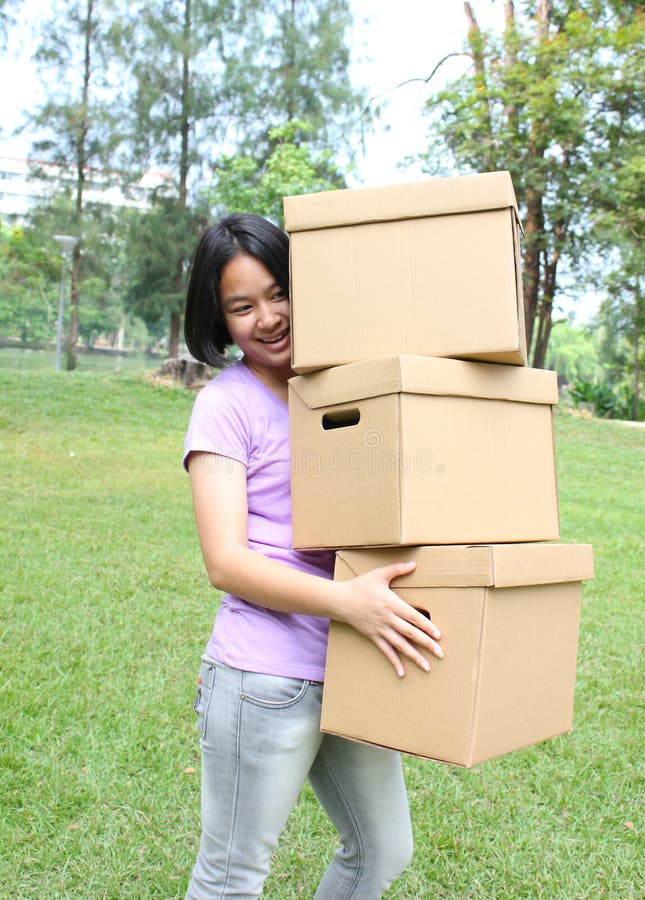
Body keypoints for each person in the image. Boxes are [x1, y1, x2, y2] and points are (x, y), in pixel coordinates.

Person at [182, 213, 444, 899]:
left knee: (382, 849)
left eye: (278, 293)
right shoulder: (224, 406)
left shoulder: (344, 386)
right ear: (218, 317)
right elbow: (225, 561)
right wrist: (350, 602)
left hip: (350, 660)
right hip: (263, 676)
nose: (266, 318)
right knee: (232, 876)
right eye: (241, 306)